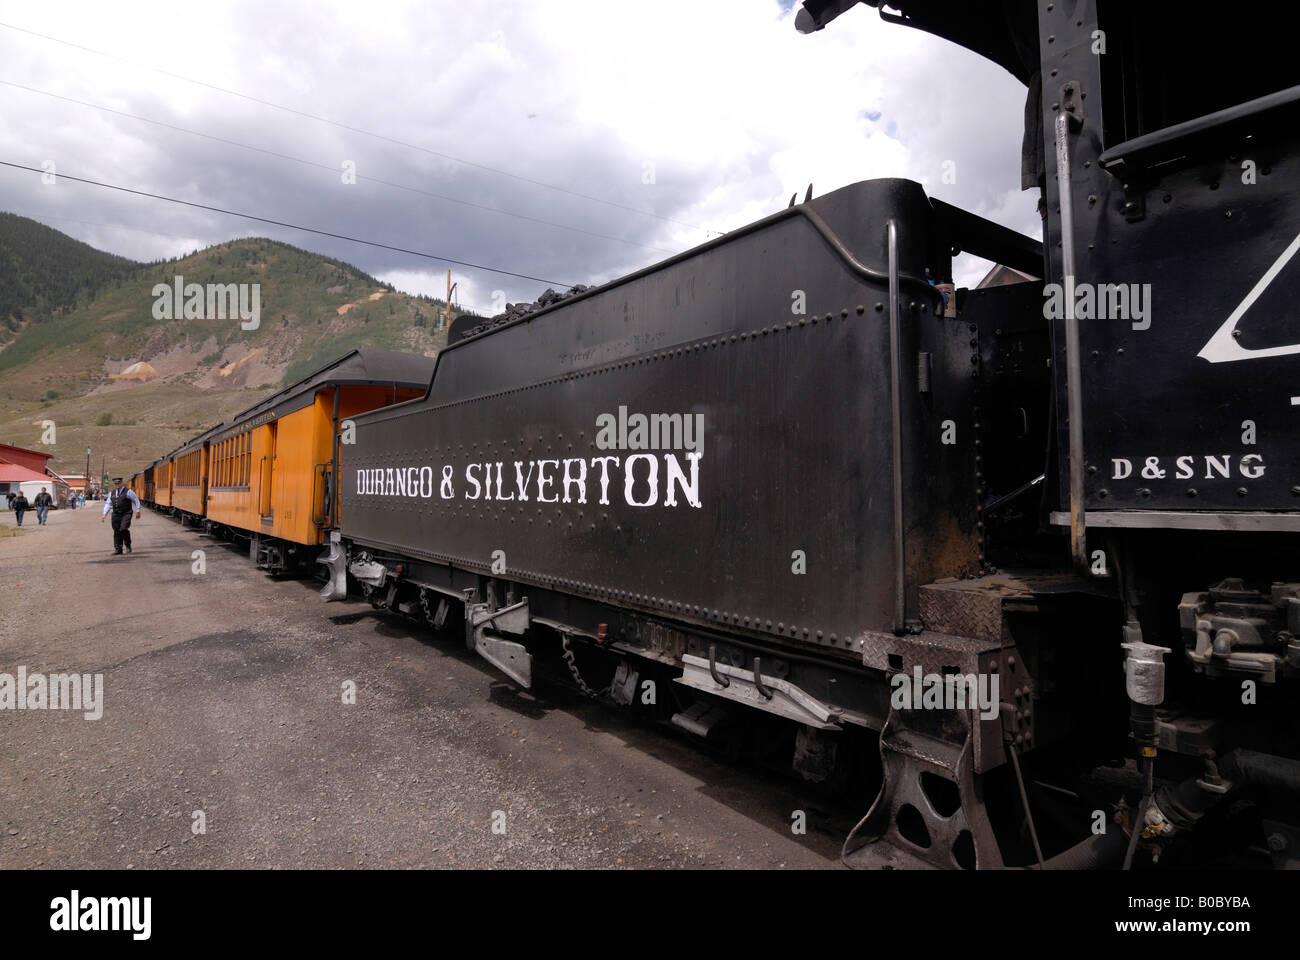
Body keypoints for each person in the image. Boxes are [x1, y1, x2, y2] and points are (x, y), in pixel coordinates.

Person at [101, 477, 141, 555]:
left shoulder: (128, 492)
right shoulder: (111, 493)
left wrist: (138, 511)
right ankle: (118, 549)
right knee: (116, 531)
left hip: (126, 513)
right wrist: (104, 514)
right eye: (116, 484)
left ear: (121, 483)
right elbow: (108, 504)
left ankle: (128, 545)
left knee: (123, 528)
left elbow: (136, 500)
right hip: (116, 514)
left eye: (118, 483)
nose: (117, 485)